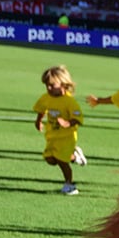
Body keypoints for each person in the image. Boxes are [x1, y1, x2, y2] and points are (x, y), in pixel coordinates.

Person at [32, 65, 85, 195]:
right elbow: (41, 109)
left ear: (64, 84)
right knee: (50, 160)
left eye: (52, 85)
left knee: (62, 161)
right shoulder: (46, 97)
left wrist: (67, 123)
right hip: (51, 135)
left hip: (66, 137)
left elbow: (78, 118)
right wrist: (38, 121)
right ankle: (74, 156)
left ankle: (69, 185)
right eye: (46, 85)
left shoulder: (69, 101)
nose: (48, 88)